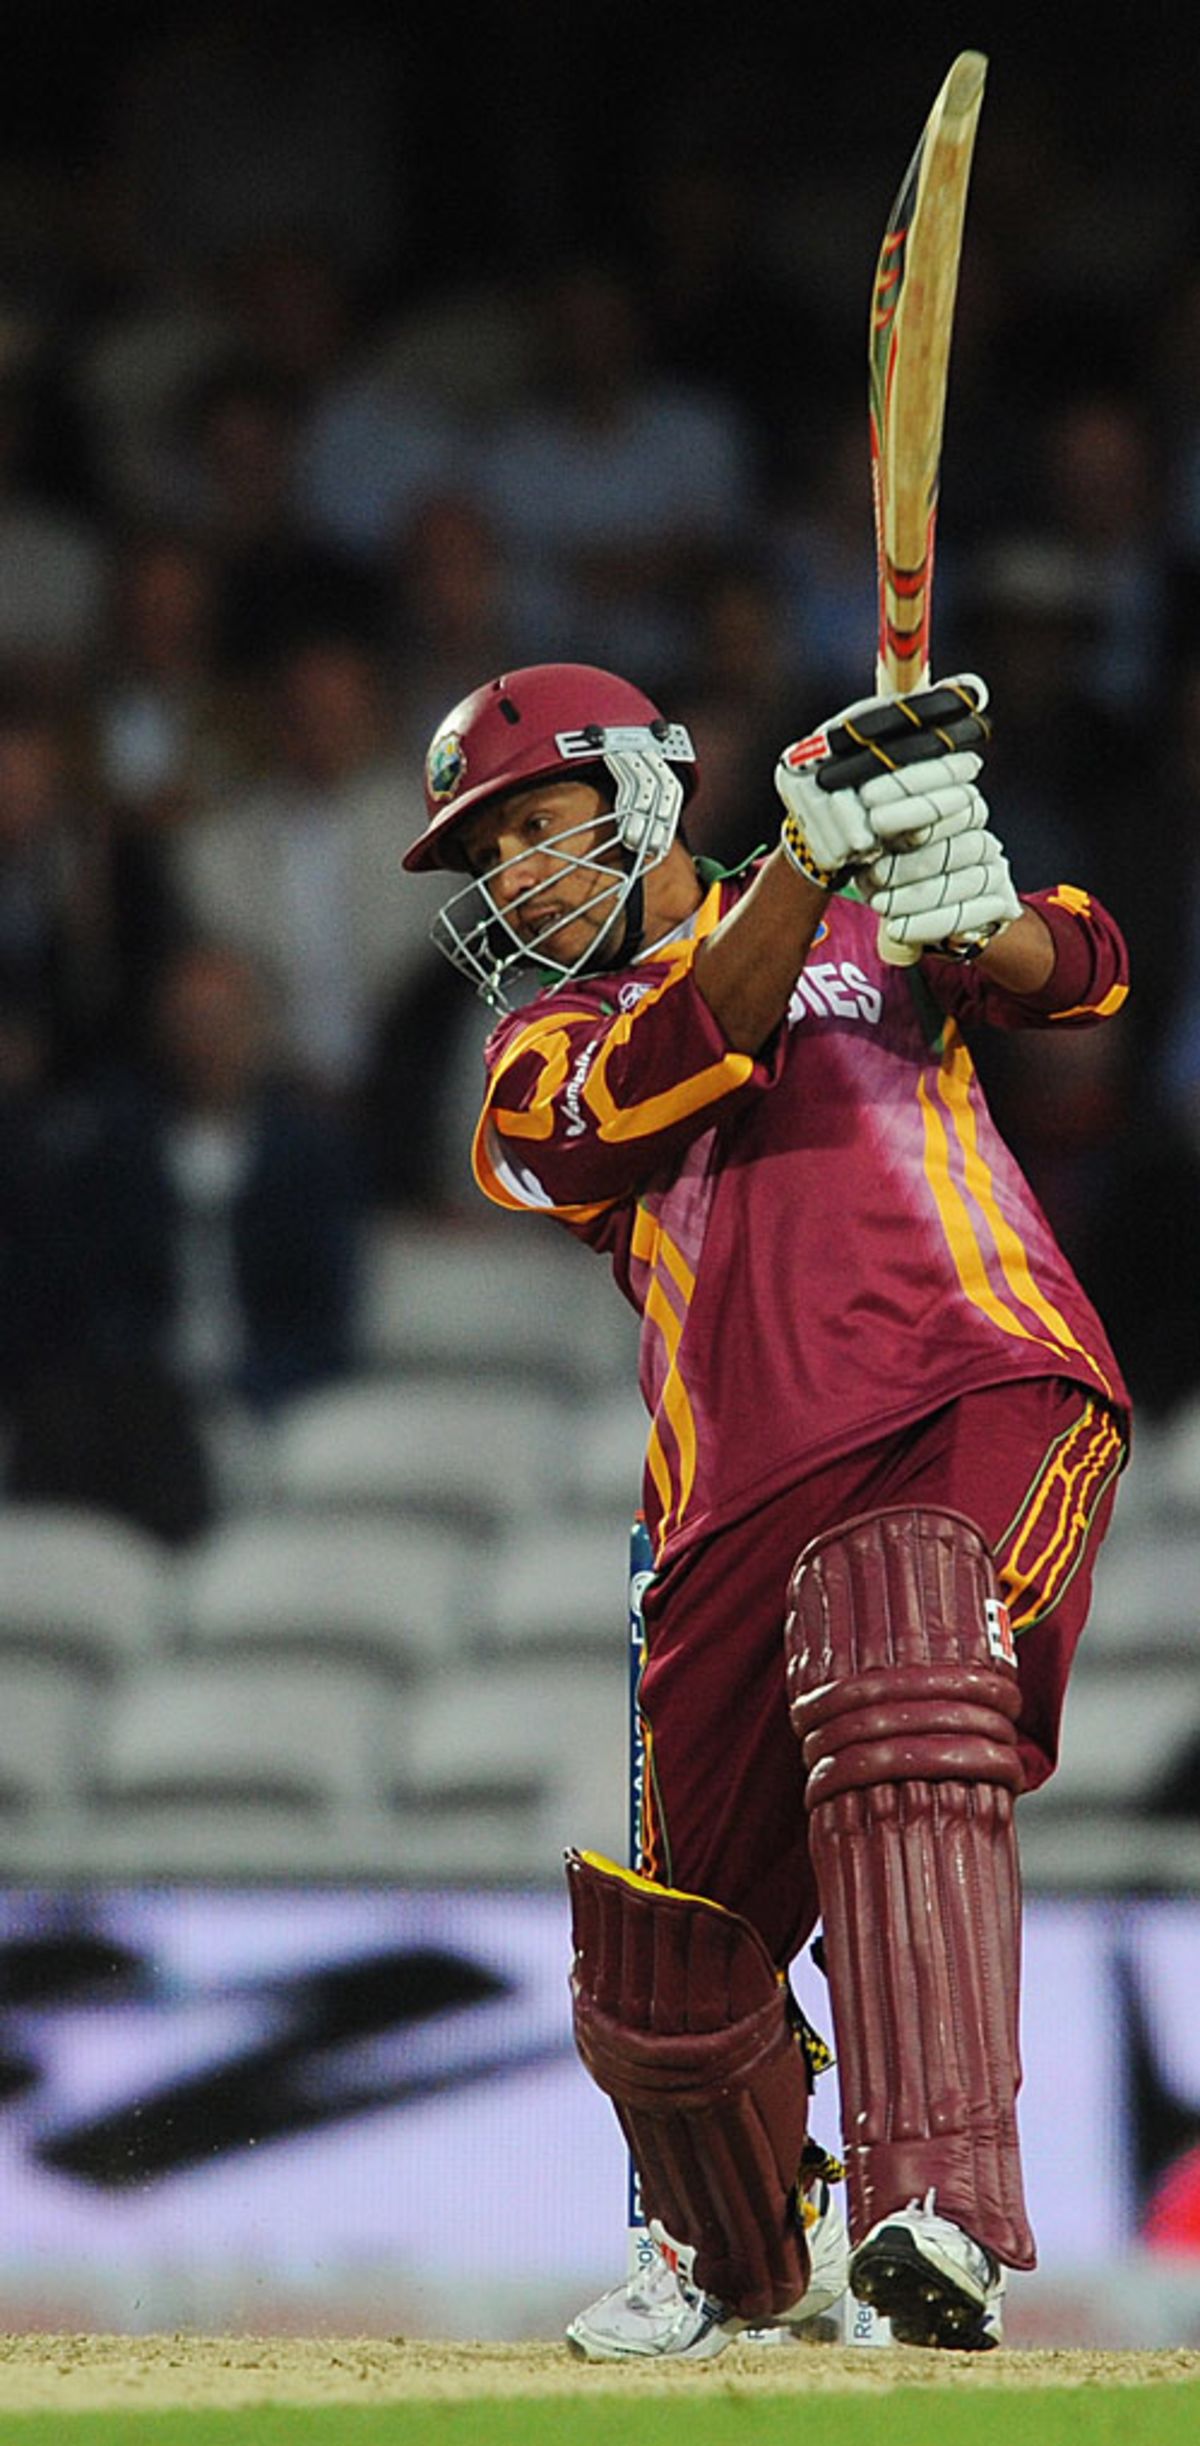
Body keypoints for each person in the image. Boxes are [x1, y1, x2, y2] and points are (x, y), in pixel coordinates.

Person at [401, 660, 1130, 2358]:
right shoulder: (537, 1047)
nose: (514, 874)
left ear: (643, 787)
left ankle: (936, 2214)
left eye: (534, 821)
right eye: (487, 854)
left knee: (903, 1650)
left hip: (974, 1383)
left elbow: (1086, 969)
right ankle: (729, 2258)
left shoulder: (869, 913)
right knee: (667, 1974)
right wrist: (806, 862)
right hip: (732, 1489)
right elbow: (674, 1059)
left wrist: (975, 908)